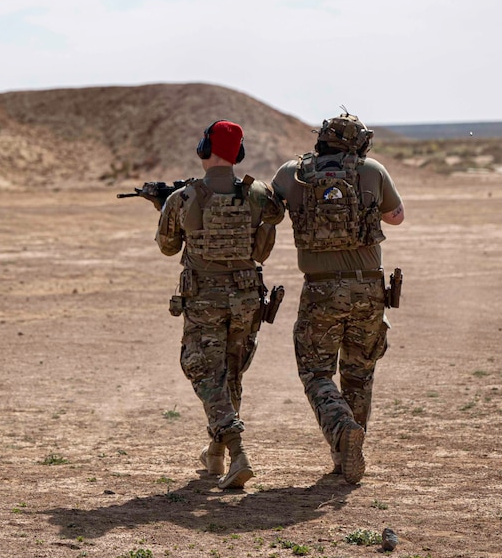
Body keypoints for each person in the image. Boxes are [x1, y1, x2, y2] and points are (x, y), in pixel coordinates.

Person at [272, 113, 404, 484]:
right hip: (369, 289)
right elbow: (396, 217)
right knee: (360, 373)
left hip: (320, 289)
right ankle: (348, 450)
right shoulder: (373, 170)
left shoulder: (291, 173)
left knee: (316, 372)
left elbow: (266, 209)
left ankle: (342, 430)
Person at [154, 120, 285, 489]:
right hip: (246, 298)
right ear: (238, 154)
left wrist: (166, 205)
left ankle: (238, 450)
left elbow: (167, 246)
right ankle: (216, 454)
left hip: (205, 298)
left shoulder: (183, 199)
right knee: (231, 373)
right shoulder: (256, 193)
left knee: (201, 370)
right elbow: (274, 215)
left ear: (203, 148)